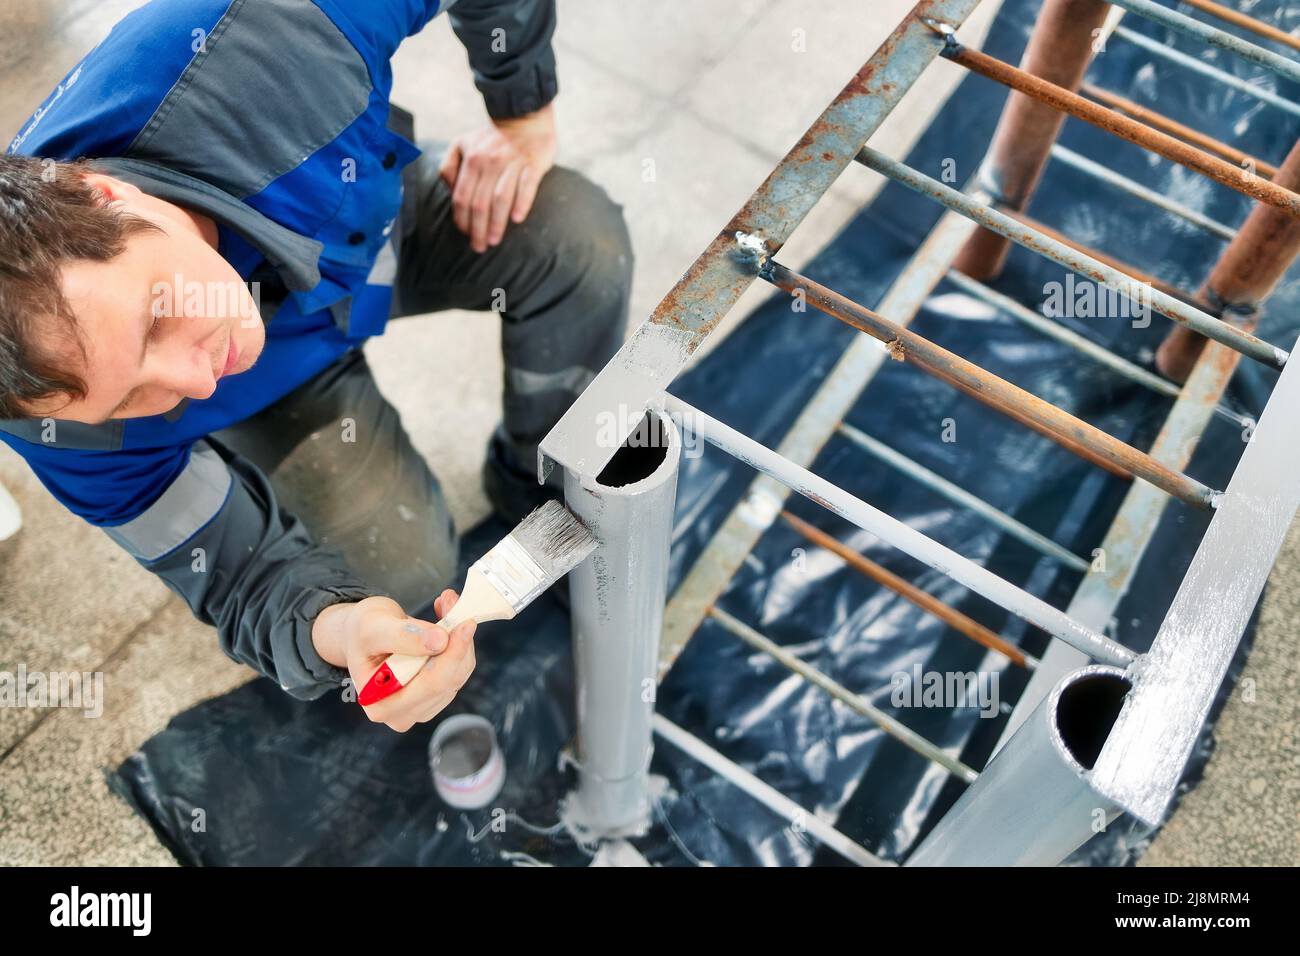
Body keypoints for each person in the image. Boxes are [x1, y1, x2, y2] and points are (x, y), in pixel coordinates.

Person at [0, 0, 633, 732]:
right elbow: (232, 573)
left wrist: (522, 111)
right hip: (278, 387)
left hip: (362, 233)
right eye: (128, 399)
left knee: (574, 237)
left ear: (106, 195)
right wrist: (334, 631)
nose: (196, 381)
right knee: (400, 580)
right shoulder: (50, 418)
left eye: (156, 319)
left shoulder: (265, 37)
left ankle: (533, 478)